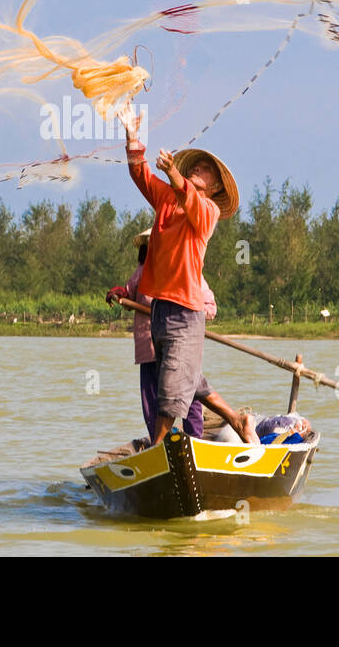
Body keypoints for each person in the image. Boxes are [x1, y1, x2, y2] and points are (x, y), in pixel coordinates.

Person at [119, 107, 256, 445]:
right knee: (188, 380)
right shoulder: (166, 199)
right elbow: (141, 175)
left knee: (170, 391)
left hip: (186, 312)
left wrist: (177, 177)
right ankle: (238, 420)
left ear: (214, 188)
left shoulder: (207, 211)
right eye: (197, 165)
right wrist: (132, 137)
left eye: (207, 170)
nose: (199, 169)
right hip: (160, 310)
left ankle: (157, 449)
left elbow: (189, 200)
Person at [106, 229, 216, 439]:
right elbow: (128, 294)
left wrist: (192, 311)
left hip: (179, 344)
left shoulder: (187, 270)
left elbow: (210, 307)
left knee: (188, 393)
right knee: (152, 397)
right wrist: (119, 294)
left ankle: (195, 439)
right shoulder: (142, 272)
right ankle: (158, 444)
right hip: (149, 345)